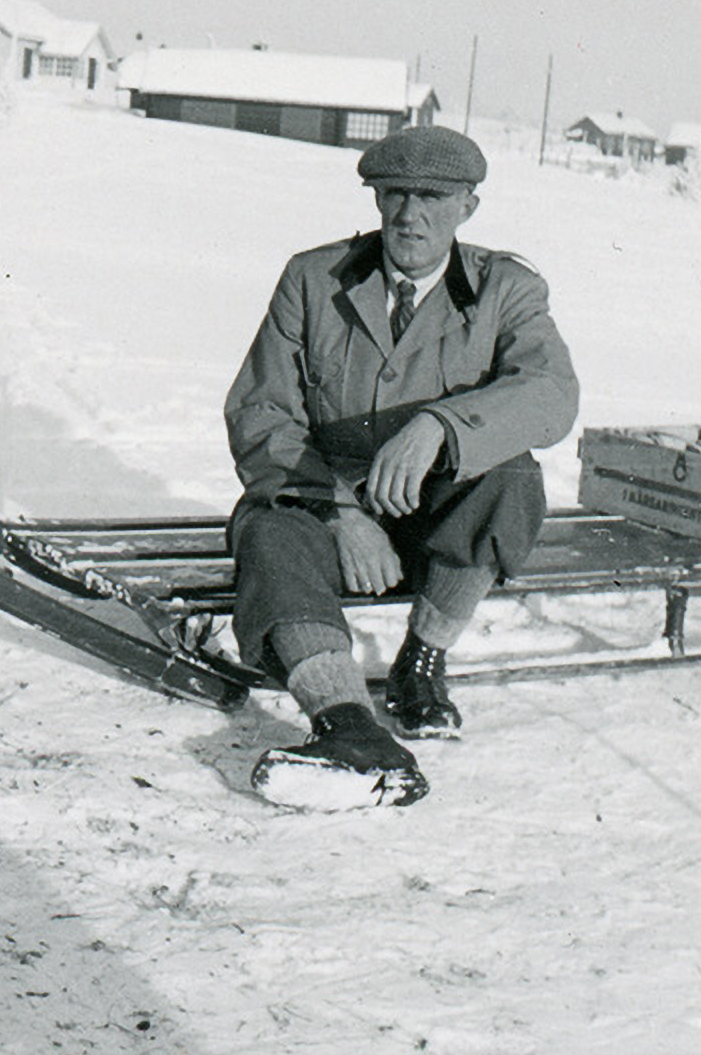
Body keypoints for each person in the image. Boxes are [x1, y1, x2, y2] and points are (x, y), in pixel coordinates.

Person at [222, 125, 578, 810]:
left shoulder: (507, 289)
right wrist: (342, 511)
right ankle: (349, 726)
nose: (410, 215)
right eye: (395, 194)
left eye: (433, 198)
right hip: (323, 506)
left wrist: (440, 426)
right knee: (267, 532)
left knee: (512, 480)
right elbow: (261, 414)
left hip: (435, 514)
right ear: (377, 199)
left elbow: (552, 394)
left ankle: (421, 661)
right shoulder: (312, 278)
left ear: (468, 207)